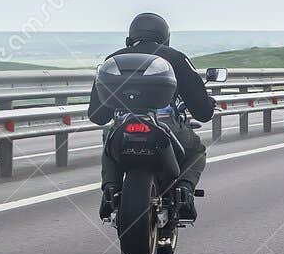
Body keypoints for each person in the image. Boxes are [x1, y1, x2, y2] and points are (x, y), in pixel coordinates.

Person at [88, 12, 215, 221]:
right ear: (165, 38)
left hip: (122, 126)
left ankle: (110, 191)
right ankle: (184, 191)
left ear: (130, 38)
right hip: (166, 126)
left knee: (108, 140)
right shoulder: (176, 57)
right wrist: (208, 104)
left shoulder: (112, 60)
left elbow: (97, 115)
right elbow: (202, 112)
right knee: (196, 150)